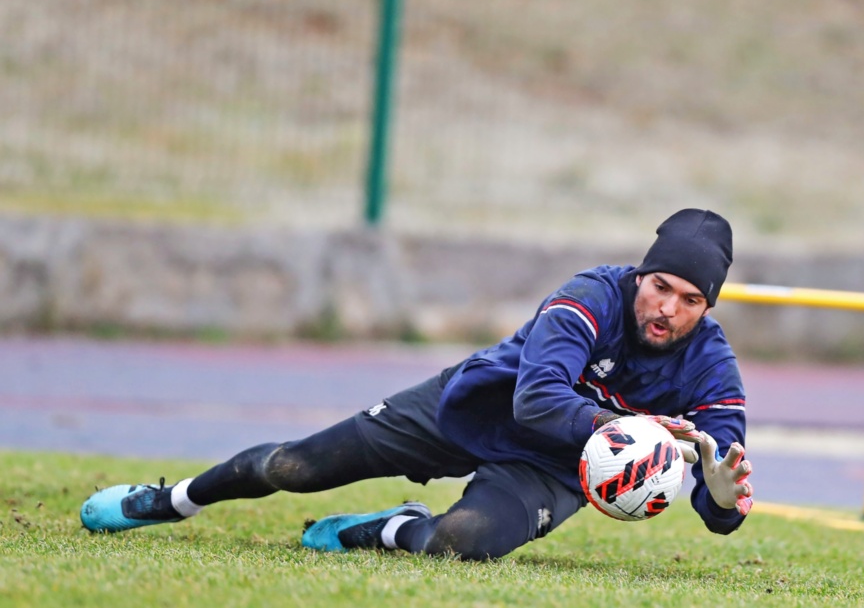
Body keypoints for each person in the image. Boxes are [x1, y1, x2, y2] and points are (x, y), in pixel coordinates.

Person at [80, 208, 754, 560]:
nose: (667, 306)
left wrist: (720, 500)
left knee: (459, 544)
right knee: (295, 464)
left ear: (707, 307)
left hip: (549, 469)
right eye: (660, 285)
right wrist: (613, 428)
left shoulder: (711, 367)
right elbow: (538, 397)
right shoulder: (591, 296)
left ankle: (389, 528)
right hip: (471, 407)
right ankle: (172, 499)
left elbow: (720, 478)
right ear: (642, 275)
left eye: (690, 298)